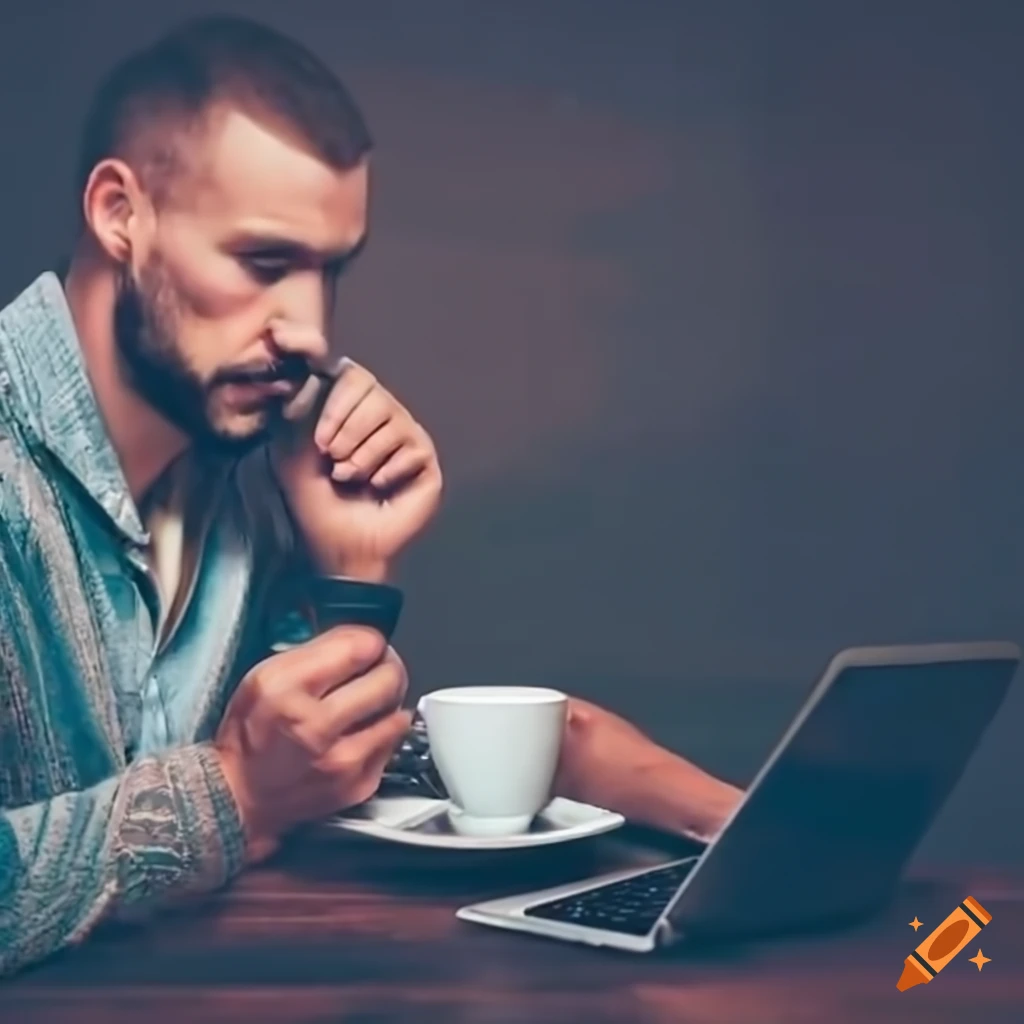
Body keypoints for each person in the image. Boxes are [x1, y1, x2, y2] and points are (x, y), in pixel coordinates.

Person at [0, 15, 741, 976]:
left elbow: (319, 776)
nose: (308, 329)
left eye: (329, 270)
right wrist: (229, 796)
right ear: (119, 213)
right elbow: (247, 794)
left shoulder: (243, 481)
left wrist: (351, 566)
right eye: (264, 264)